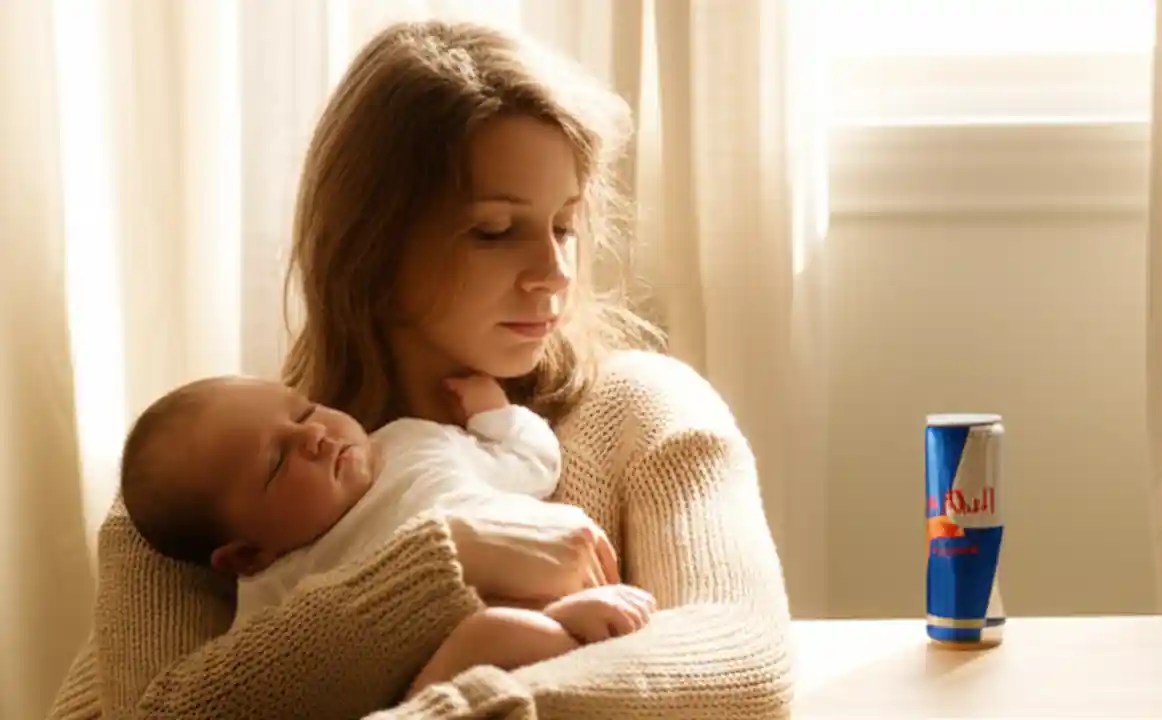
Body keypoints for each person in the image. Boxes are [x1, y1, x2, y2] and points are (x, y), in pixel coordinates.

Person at [49, 19, 792, 720]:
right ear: (369, 250)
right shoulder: (209, 472)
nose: (554, 271)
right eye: (495, 231)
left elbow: (745, 668)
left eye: (564, 223)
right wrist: (441, 563)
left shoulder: (643, 409)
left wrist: (448, 707)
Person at [115, 371, 657, 694]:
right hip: (475, 654)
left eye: (305, 410)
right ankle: (557, 628)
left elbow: (529, 464)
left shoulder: (409, 440)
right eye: (279, 461)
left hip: (583, 569)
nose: (316, 436)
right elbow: (281, 675)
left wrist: (496, 414)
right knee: (488, 636)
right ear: (247, 554)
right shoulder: (278, 585)